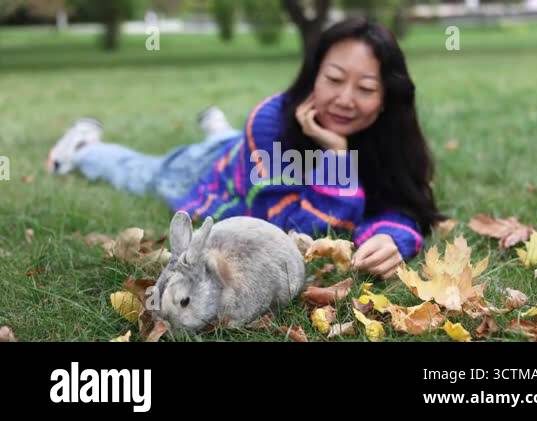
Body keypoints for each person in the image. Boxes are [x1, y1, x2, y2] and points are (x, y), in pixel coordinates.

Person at [47, 18, 443, 280]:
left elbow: (400, 204)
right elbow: (293, 232)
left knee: (231, 141)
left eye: (366, 89)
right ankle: (82, 147)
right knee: (141, 172)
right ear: (312, 78)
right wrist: (337, 159)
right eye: (334, 79)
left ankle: (218, 127)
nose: (345, 99)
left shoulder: (391, 132)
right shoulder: (271, 120)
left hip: (243, 154)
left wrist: (393, 237)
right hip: (211, 172)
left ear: (387, 97)